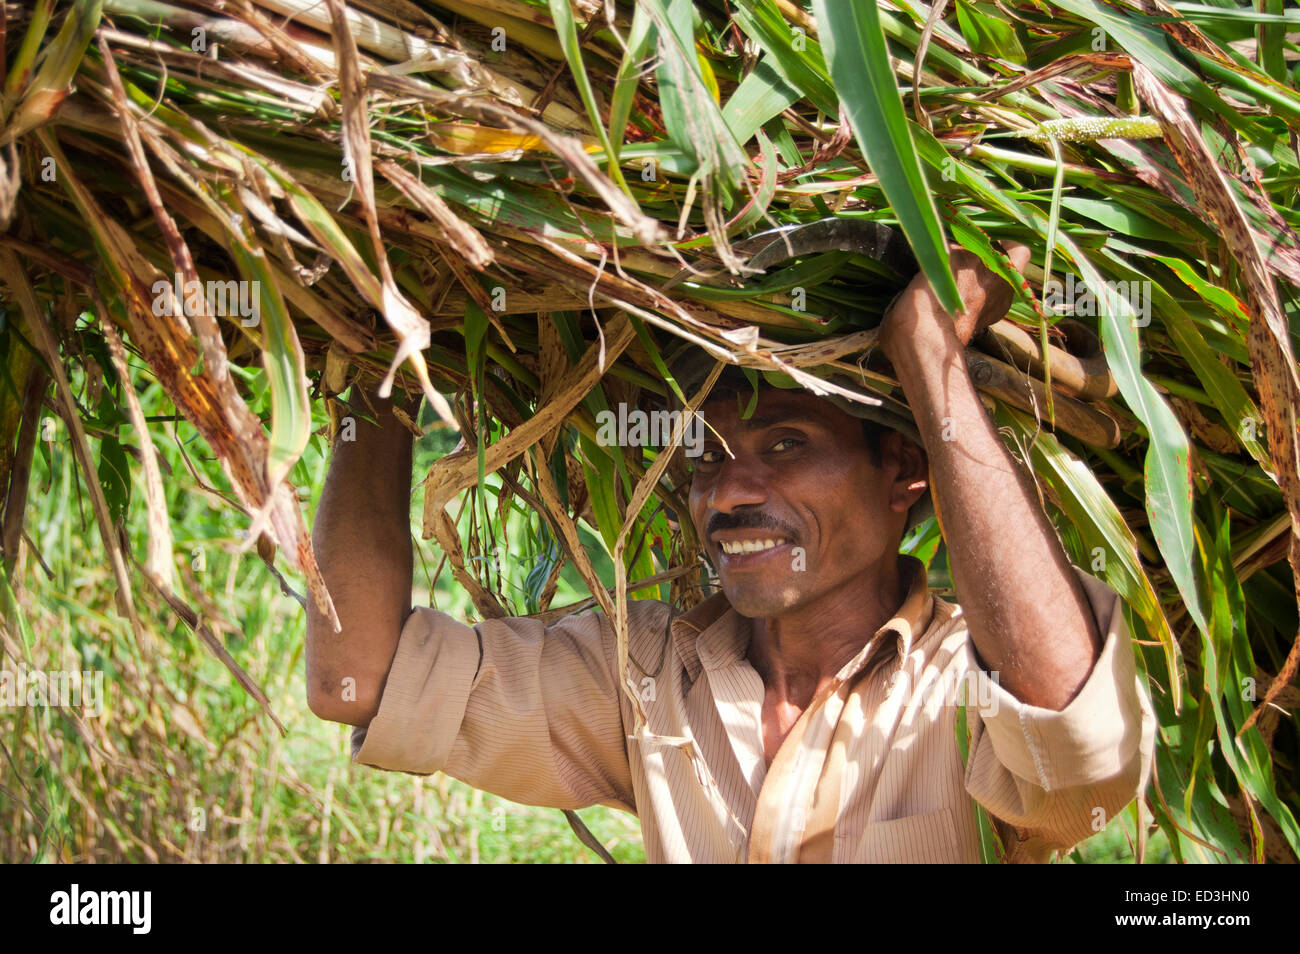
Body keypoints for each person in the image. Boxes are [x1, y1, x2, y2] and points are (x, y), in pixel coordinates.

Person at [305, 244, 1156, 863]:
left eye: (785, 443)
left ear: (903, 471)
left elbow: (1078, 739)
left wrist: (932, 362)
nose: (729, 490)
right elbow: (358, 679)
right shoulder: (639, 675)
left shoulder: (960, 692)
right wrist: (380, 366)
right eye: (706, 455)